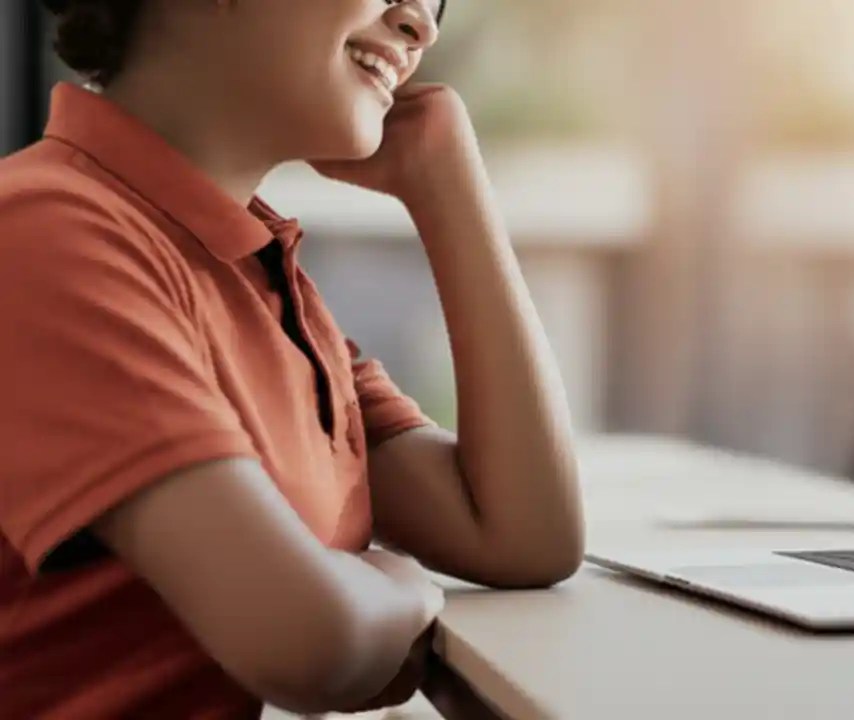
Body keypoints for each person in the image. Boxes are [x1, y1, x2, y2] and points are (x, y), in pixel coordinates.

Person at [0, 0, 585, 716]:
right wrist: (399, 582)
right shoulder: (43, 235)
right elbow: (307, 641)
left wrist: (451, 187)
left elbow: (523, 536)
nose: (422, 25)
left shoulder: (256, 277)